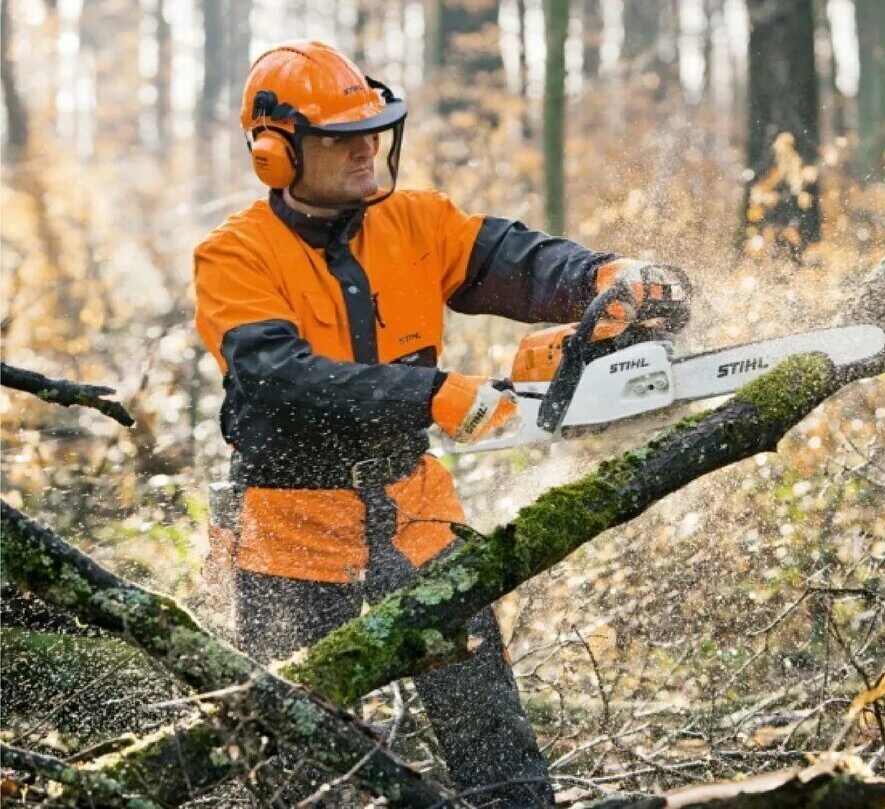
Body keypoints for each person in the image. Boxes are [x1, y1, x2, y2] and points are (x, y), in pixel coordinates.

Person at [193, 40, 688, 807]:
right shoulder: (235, 256)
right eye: (340, 137)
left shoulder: (416, 222)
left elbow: (512, 259)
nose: (367, 150)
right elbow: (279, 377)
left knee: (490, 731)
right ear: (276, 153)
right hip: (290, 529)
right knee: (297, 766)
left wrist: (604, 275)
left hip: (413, 508)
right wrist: (430, 393)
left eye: (373, 130)